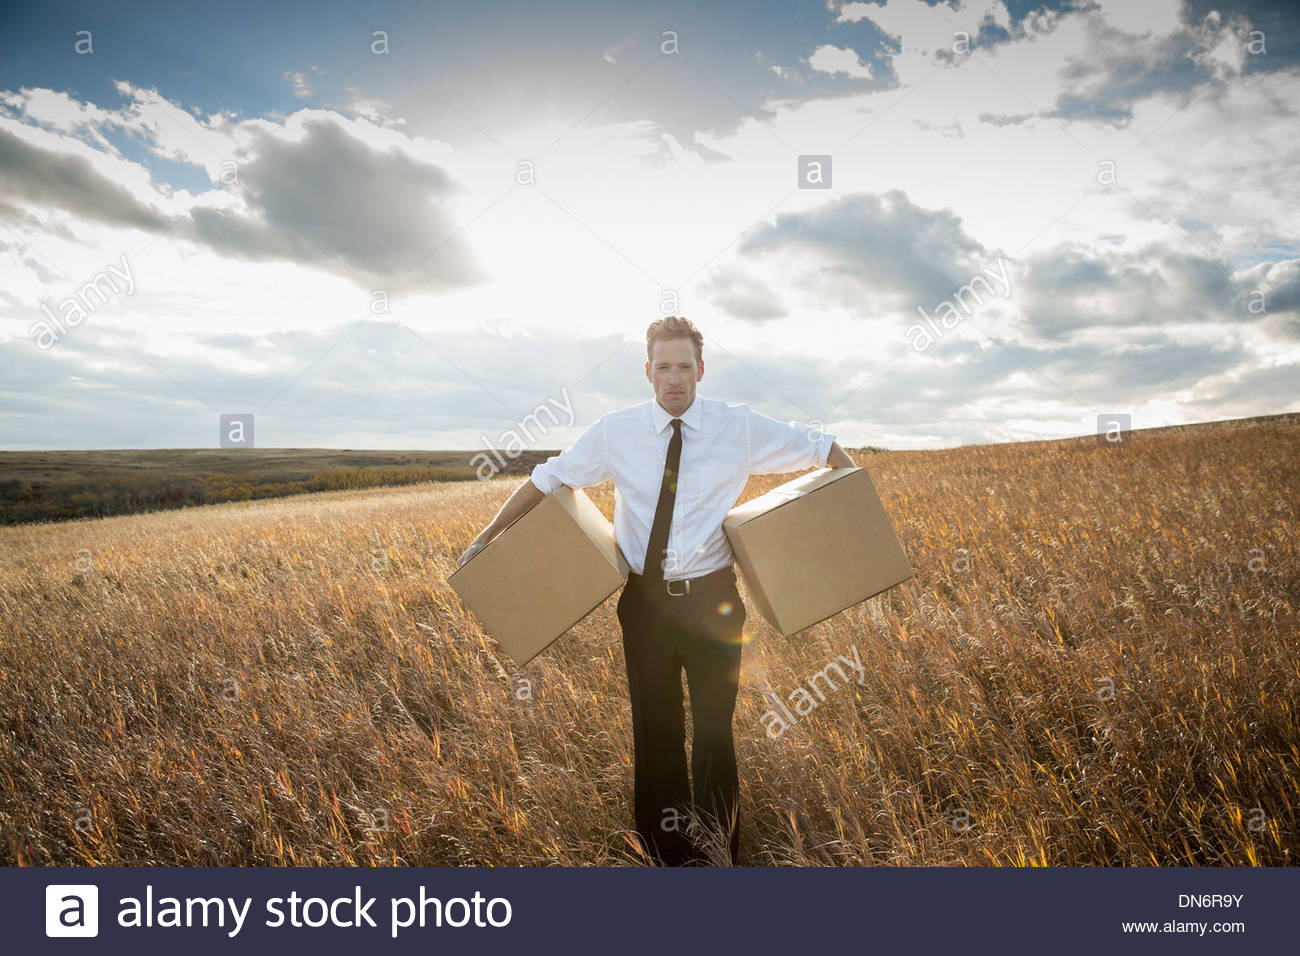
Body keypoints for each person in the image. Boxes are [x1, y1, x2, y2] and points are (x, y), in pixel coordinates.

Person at [457, 316, 855, 865]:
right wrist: (487, 534)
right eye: (663, 367)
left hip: (714, 604)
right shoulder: (614, 432)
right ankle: (668, 858)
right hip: (645, 606)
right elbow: (549, 478)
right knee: (656, 733)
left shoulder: (735, 427)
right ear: (647, 372)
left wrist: (851, 514)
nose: (675, 378)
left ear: (700, 371)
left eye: (684, 367)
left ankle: (719, 855)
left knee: (715, 735)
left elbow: (823, 446)